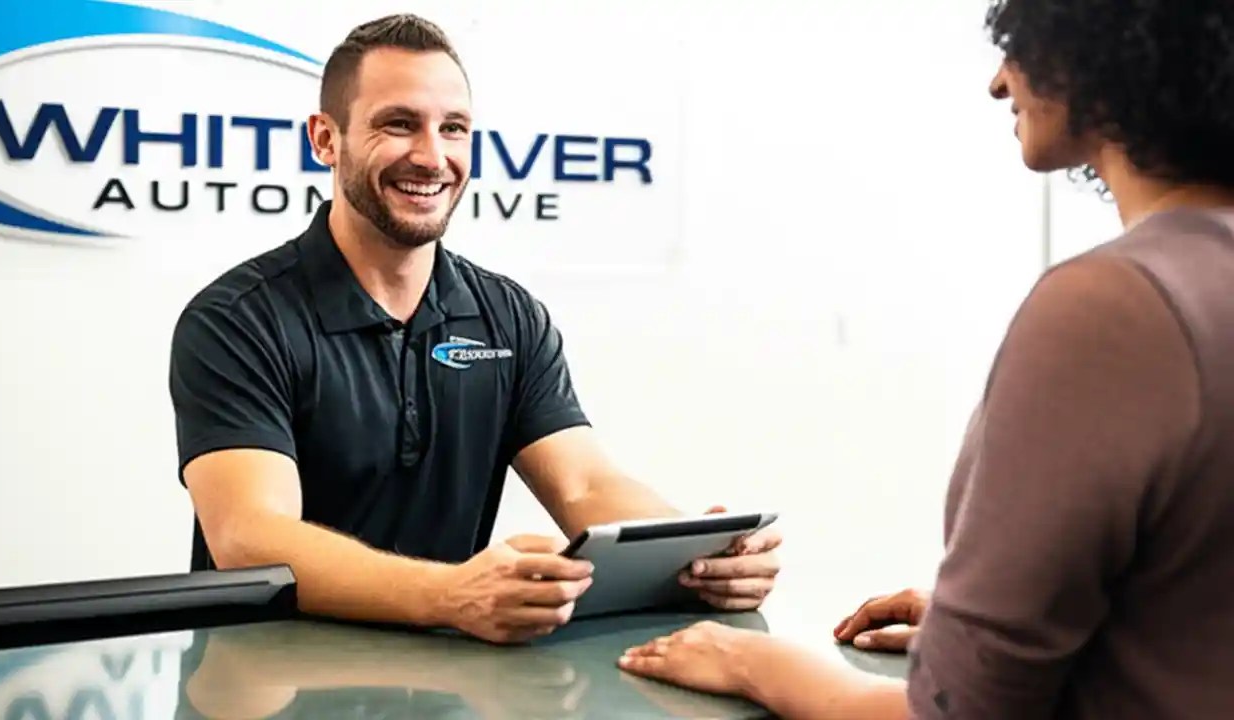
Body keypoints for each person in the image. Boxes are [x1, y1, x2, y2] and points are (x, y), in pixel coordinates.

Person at [617, 1, 1234, 717]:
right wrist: (984, 630)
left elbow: (955, 714)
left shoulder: (1114, 305)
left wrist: (760, 664)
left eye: (1020, 47)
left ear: (1096, 53)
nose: (1000, 85)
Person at [168, 14, 782, 645]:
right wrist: (450, 594)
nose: (433, 157)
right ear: (326, 139)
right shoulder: (237, 320)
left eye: (453, 129)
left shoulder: (509, 318)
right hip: (267, 682)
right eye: (399, 123)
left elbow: (585, 485)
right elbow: (250, 537)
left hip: (445, 681)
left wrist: (702, 557)